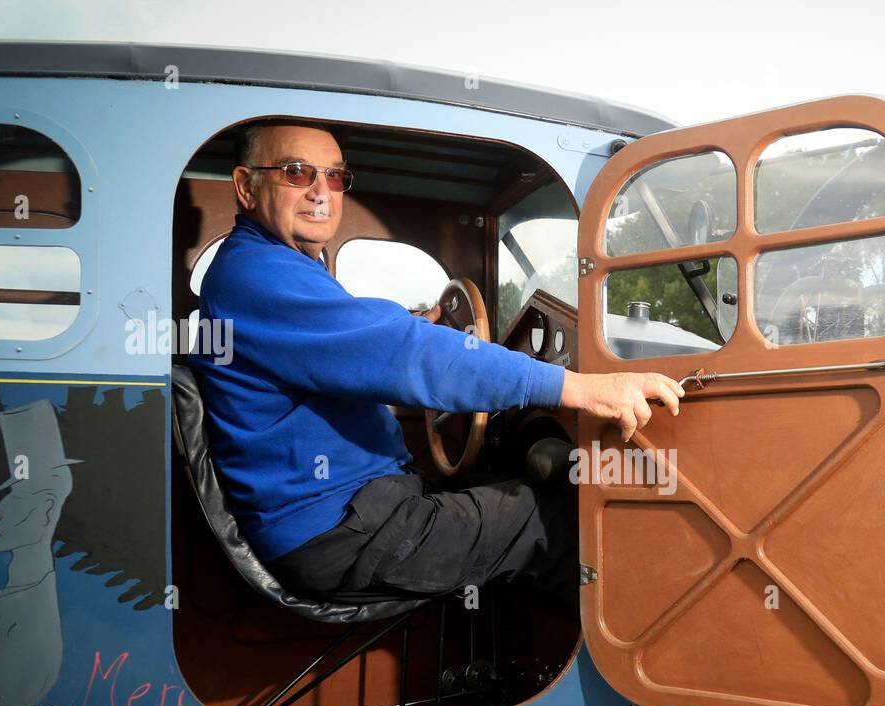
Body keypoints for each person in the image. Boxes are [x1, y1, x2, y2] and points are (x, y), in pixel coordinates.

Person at [189, 120, 683, 614]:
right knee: (556, 521)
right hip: (337, 531)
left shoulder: (270, 268)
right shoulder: (256, 275)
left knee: (502, 481)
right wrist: (578, 388)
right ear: (245, 186)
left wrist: (415, 327)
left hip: (349, 512)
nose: (321, 191)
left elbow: (357, 343)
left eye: (336, 177)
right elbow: (406, 354)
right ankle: (636, 668)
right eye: (297, 173)